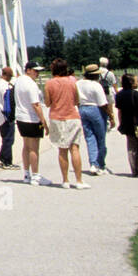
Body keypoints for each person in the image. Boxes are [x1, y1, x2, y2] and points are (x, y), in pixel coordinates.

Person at [44, 58, 87, 188]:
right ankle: (79, 181)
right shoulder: (72, 82)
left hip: (57, 117)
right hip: (72, 116)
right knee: (75, 149)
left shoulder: (49, 84)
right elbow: (76, 101)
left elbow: (47, 103)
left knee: (62, 150)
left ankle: (65, 180)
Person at [14, 62, 49, 185]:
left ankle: (27, 174)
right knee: (34, 148)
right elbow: (36, 104)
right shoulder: (31, 84)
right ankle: (35, 176)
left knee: (26, 146)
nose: (37, 73)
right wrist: (43, 121)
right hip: (32, 119)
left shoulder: (18, 81)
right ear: (28, 70)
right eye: (35, 70)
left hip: (21, 118)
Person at [77, 63, 113, 174]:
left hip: (82, 108)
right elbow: (103, 103)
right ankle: (100, 163)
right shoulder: (96, 85)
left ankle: (93, 163)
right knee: (101, 138)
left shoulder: (78, 83)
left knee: (89, 137)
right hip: (95, 109)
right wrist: (111, 116)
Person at [0, 65, 17, 168]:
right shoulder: (6, 86)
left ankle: (1, 157)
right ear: (6, 75)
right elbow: (8, 102)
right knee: (9, 139)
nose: (11, 78)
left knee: (5, 138)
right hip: (5, 116)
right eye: (10, 76)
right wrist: (11, 116)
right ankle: (7, 162)